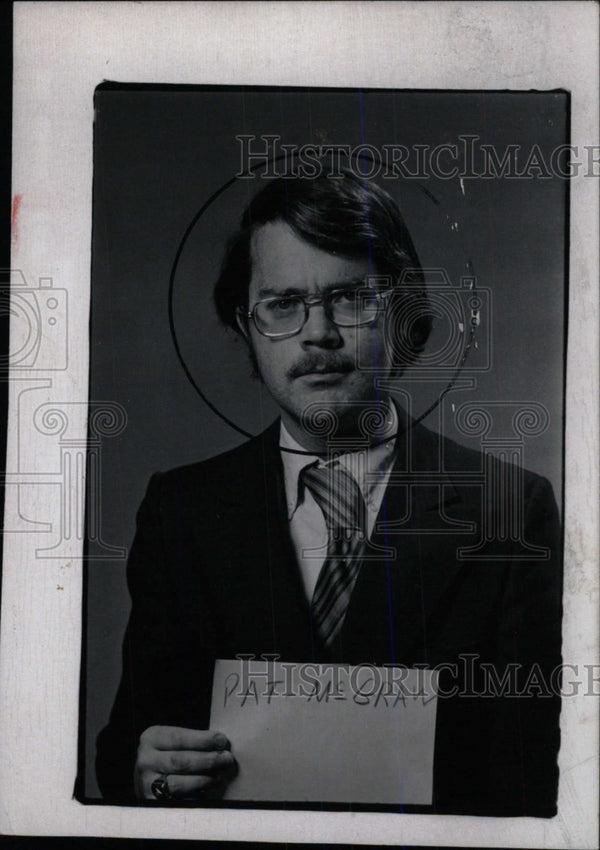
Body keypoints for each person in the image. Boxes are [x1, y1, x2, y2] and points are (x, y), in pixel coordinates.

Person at [95, 171, 563, 816]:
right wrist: (146, 770)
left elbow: (533, 779)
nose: (318, 334)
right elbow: (129, 747)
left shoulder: (509, 509)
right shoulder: (182, 512)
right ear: (247, 328)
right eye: (282, 304)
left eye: (351, 298)